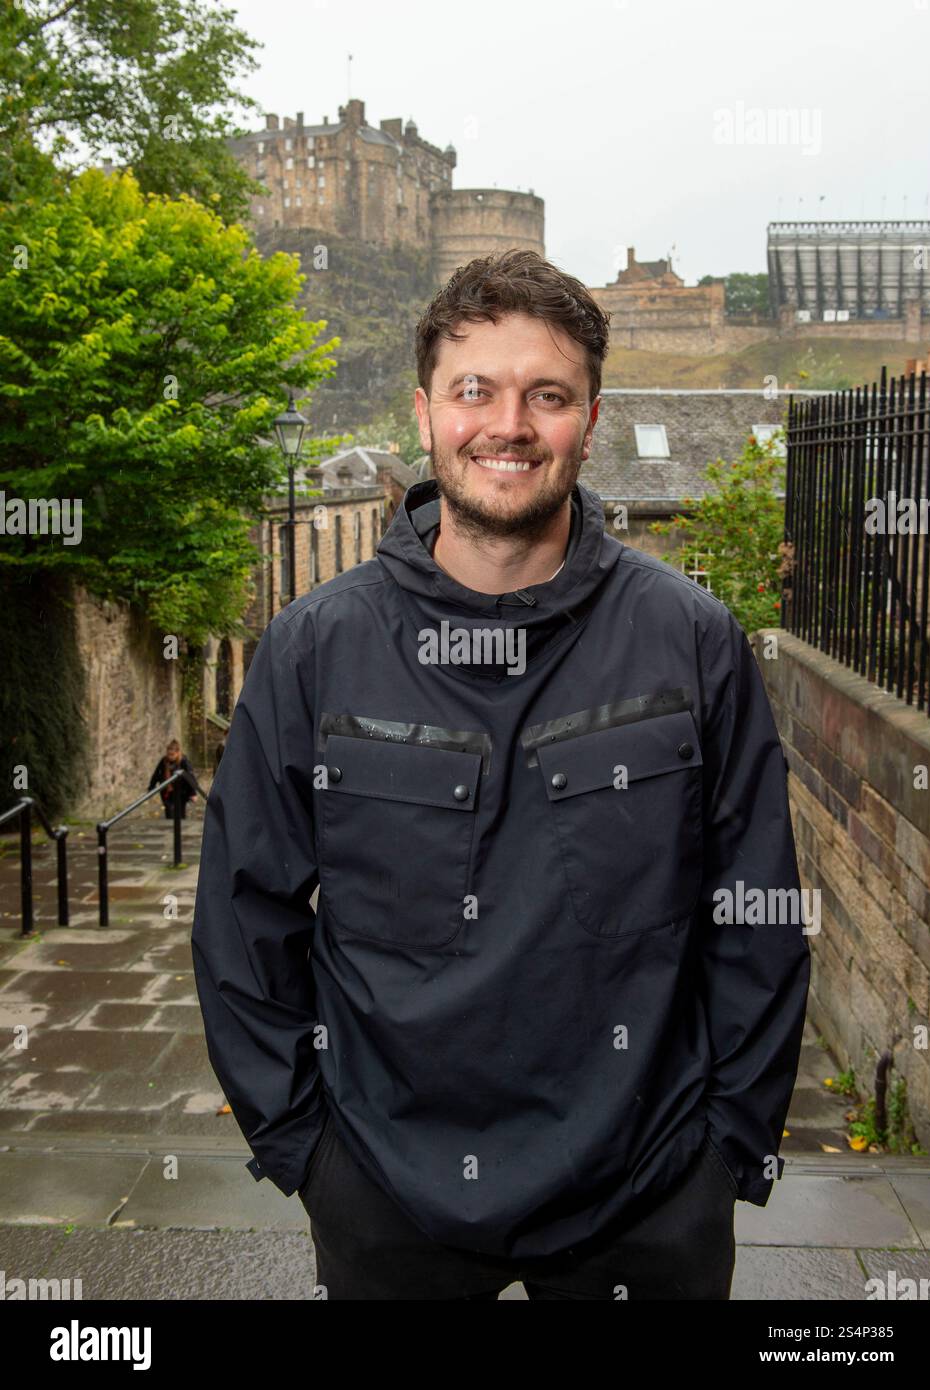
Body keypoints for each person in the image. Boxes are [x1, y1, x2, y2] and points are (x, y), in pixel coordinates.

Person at [191, 249, 811, 1301]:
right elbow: (243, 921)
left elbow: (753, 912)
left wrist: (723, 1150)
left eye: (547, 395)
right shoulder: (312, 650)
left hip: (646, 1196)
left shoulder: (691, 639)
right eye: (474, 389)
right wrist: (309, 1154)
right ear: (423, 415)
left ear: (590, 417)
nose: (508, 425)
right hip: (389, 1200)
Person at [148, 739, 197, 820]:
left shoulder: (183, 761)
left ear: (177, 753)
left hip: (181, 791)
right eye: (168, 754)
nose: (169, 756)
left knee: (180, 813)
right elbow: (156, 774)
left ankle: (180, 830)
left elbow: (190, 777)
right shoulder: (164, 761)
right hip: (167, 791)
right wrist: (151, 787)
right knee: (169, 812)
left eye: (172, 754)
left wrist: (193, 793)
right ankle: (170, 830)